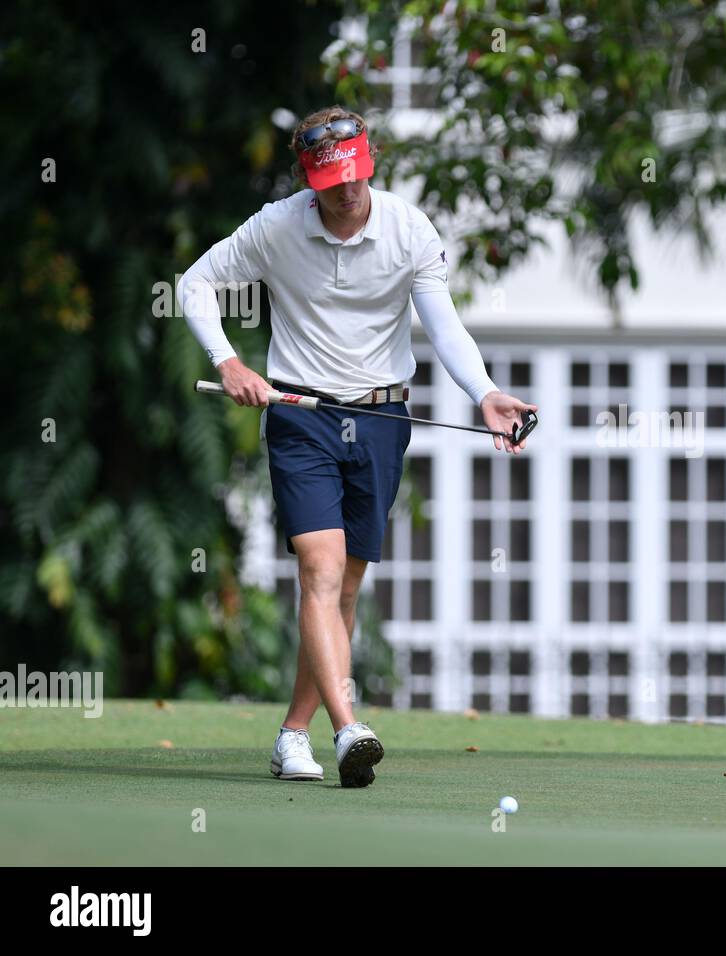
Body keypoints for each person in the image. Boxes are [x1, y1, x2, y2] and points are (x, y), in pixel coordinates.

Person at [179, 106, 537, 788]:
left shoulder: (409, 229)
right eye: (331, 179)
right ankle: (349, 729)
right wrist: (228, 361)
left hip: (381, 418)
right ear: (308, 177)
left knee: (342, 587)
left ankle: (292, 734)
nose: (347, 190)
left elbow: (444, 325)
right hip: (300, 414)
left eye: (356, 175)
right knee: (319, 568)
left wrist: (484, 392)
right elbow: (194, 285)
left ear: (369, 164)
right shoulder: (276, 227)